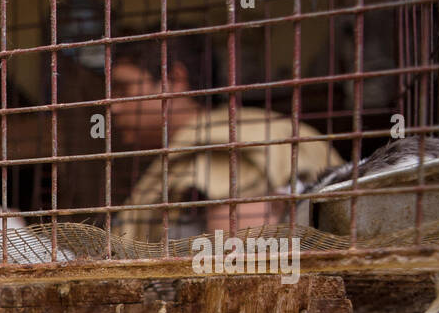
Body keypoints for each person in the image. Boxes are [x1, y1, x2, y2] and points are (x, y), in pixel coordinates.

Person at [108, 27, 344, 243]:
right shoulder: (191, 151)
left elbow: (240, 266)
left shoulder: (229, 142)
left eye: (123, 89)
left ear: (173, 79)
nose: (113, 107)